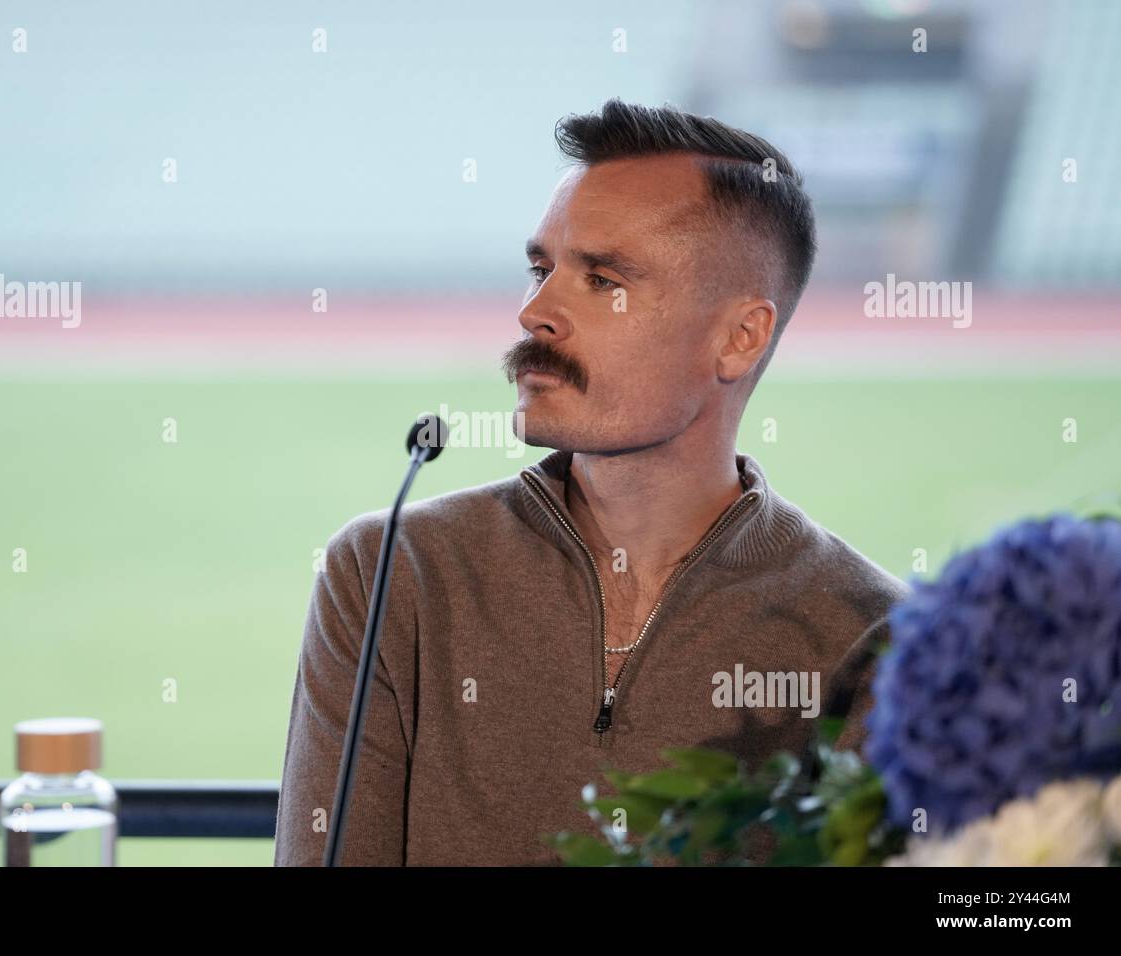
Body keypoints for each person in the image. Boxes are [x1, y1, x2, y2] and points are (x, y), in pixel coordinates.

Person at [274, 98, 907, 866]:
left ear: (740, 337)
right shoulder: (387, 572)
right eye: (542, 270)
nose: (535, 311)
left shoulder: (876, 635)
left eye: (602, 279)